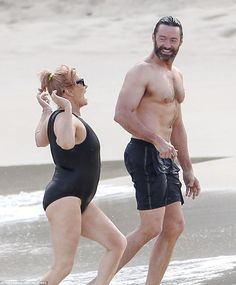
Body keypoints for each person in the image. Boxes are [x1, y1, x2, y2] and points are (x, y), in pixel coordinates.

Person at [113, 16, 201, 284]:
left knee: (174, 226)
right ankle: (99, 280)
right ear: (154, 37)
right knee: (151, 227)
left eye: (173, 40)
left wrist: (188, 169)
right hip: (144, 151)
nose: (167, 44)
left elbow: (177, 124)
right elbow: (122, 115)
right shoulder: (140, 72)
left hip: (167, 156)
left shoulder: (176, 75)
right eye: (162, 38)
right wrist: (156, 140)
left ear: (180, 42)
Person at [35, 64, 127, 285]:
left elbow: (40, 140)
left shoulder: (58, 117)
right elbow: (65, 143)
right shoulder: (65, 118)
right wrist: (65, 108)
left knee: (117, 243)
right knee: (62, 267)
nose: (85, 86)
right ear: (68, 91)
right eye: (80, 82)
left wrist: (46, 110)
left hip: (78, 199)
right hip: (65, 198)